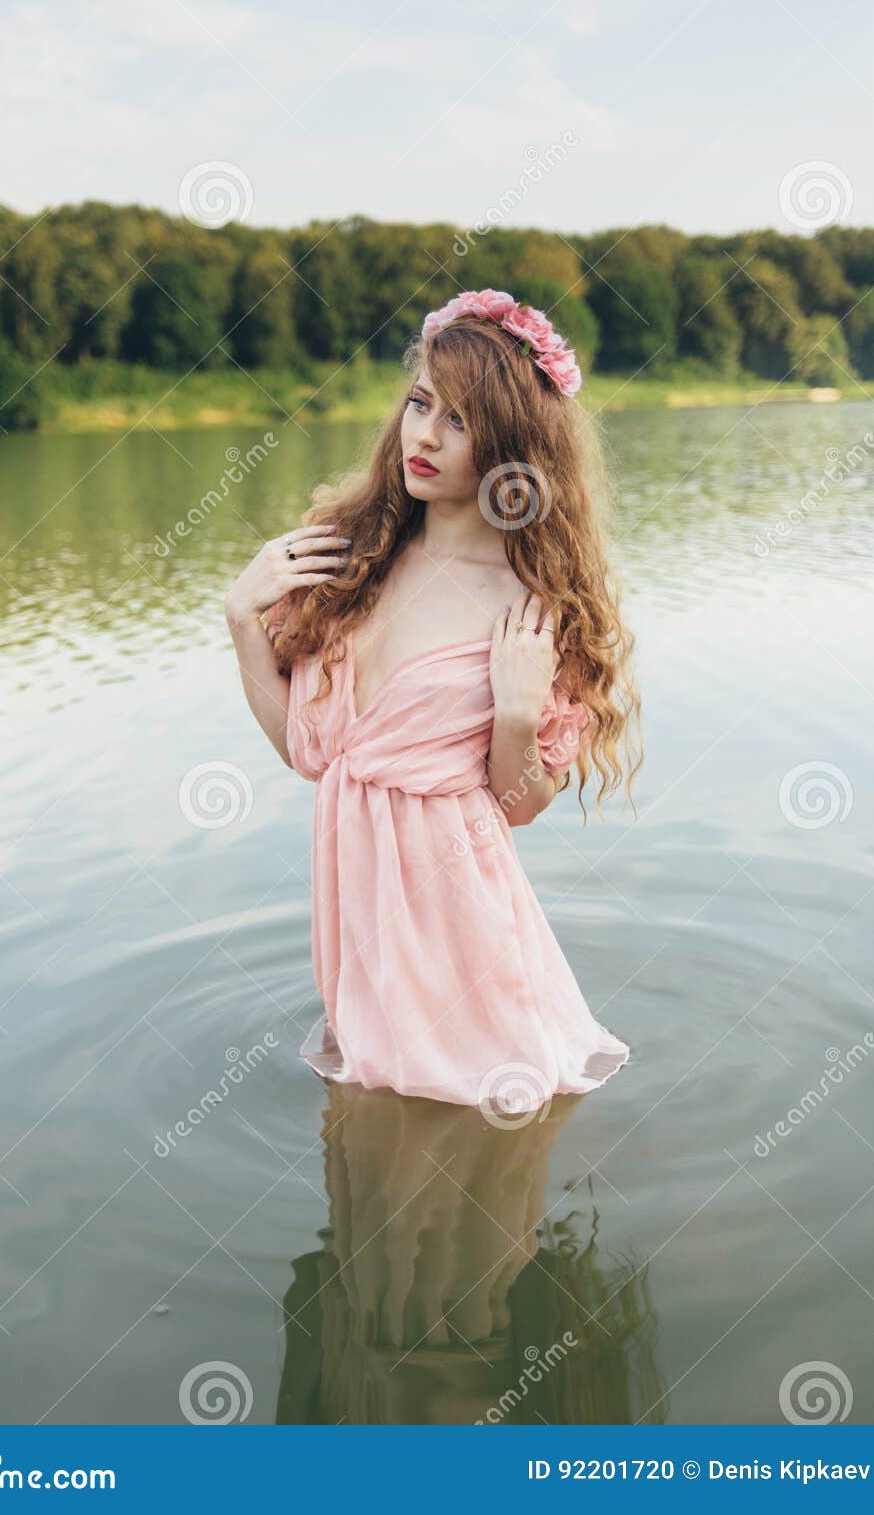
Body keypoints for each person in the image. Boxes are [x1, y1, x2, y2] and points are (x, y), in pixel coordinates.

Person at [224, 289, 640, 1111]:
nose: (424, 435)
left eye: (460, 420)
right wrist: (242, 619)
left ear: (513, 448)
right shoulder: (353, 561)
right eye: (421, 404)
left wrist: (519, 719)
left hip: (458, 918)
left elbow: (518, 807)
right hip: (360, 917)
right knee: (385, 1148)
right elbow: (311, 755)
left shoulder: (528, 604)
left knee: (459, 1132)